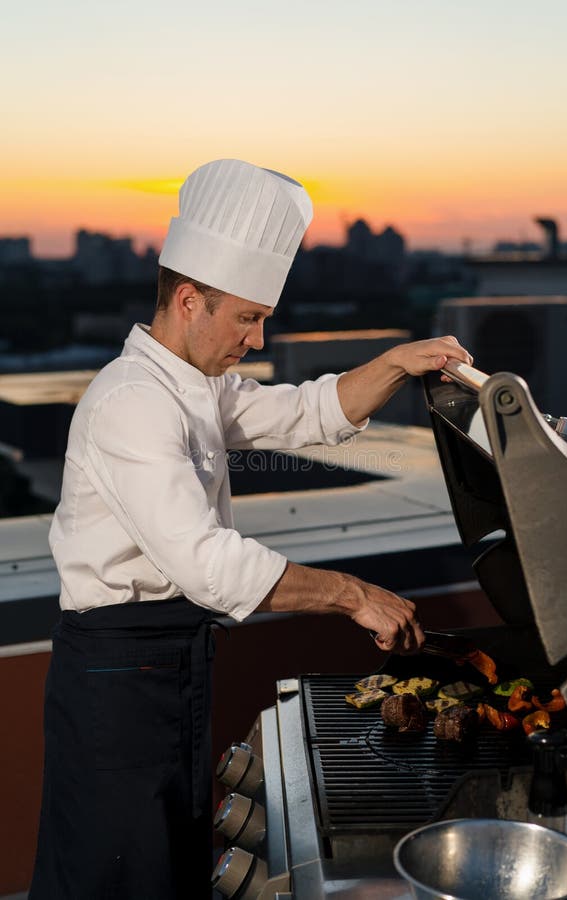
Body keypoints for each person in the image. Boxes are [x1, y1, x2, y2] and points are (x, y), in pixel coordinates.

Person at [30, 158, 472, 899]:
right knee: (114, 876)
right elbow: (207, 563)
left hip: (168, 665)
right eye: (248, 318)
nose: (259, 340)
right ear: (190, 299)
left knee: (168, 873)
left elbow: (305, 412)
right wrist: (352, 594)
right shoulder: (132, 401)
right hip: (116, 682)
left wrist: (396, 363)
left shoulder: (195, 386)